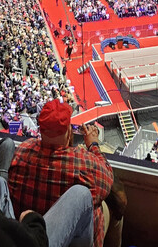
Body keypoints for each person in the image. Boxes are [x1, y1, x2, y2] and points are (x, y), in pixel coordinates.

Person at [8, 99, 114, 247]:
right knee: (104, 207)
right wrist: (93, 144)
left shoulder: (22, 150)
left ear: (40, 130)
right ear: (69, 131)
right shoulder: (84, 162)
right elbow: (107, 178)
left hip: (26, 233)